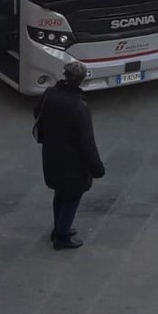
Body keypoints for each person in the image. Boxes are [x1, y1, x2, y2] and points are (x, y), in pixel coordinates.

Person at [33, 61, 105, 250]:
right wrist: (97, 167)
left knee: (60, 192)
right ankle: (62, 236)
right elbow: (87, 142)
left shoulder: (49, 94)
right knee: (72, 197)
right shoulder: (79, 107)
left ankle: (59, 227)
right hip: (73, 162)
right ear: (81, 79)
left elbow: (37, 114)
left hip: (51, 153)